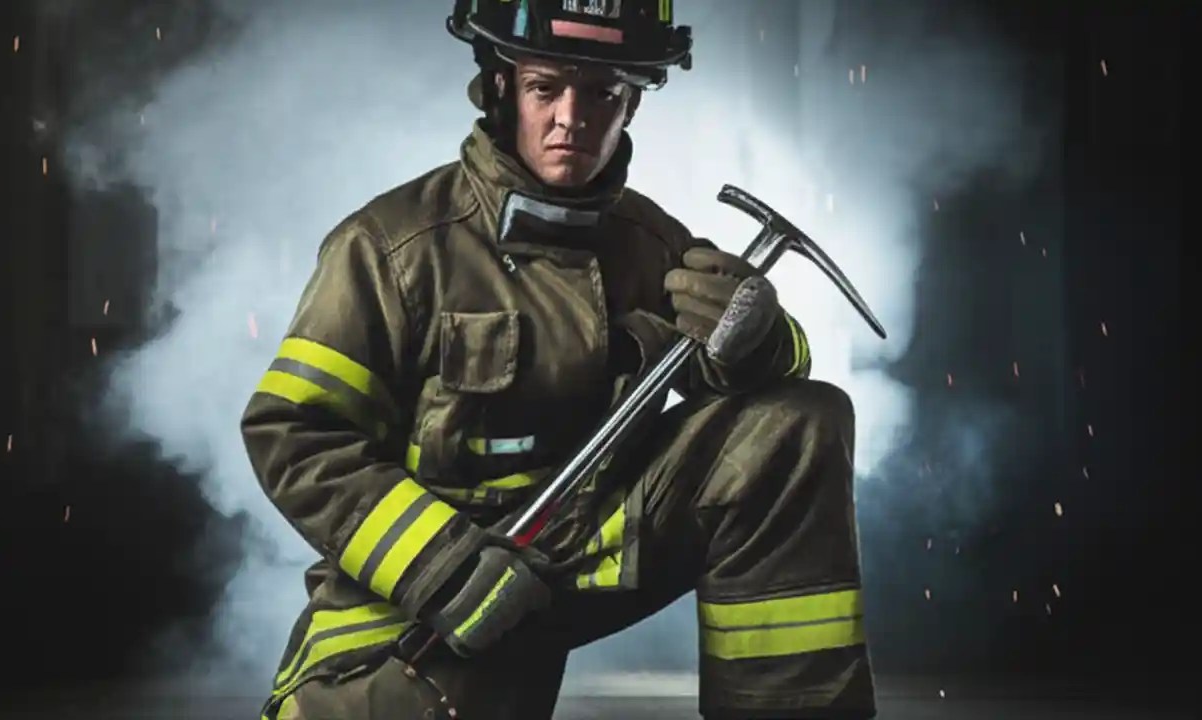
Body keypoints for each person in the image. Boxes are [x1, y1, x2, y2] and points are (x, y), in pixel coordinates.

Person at [240, 1, 878, 718]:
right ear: (502, 86)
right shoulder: (391, 248)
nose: (573, 116)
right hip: (424, 596)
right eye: (548, 87)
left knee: (802, 422)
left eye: (602, 93)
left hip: (586, 551)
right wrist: (441, 568)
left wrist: (760, 344)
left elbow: (749, 407)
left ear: (632, 102)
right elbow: (294, 434)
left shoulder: (649, 242)